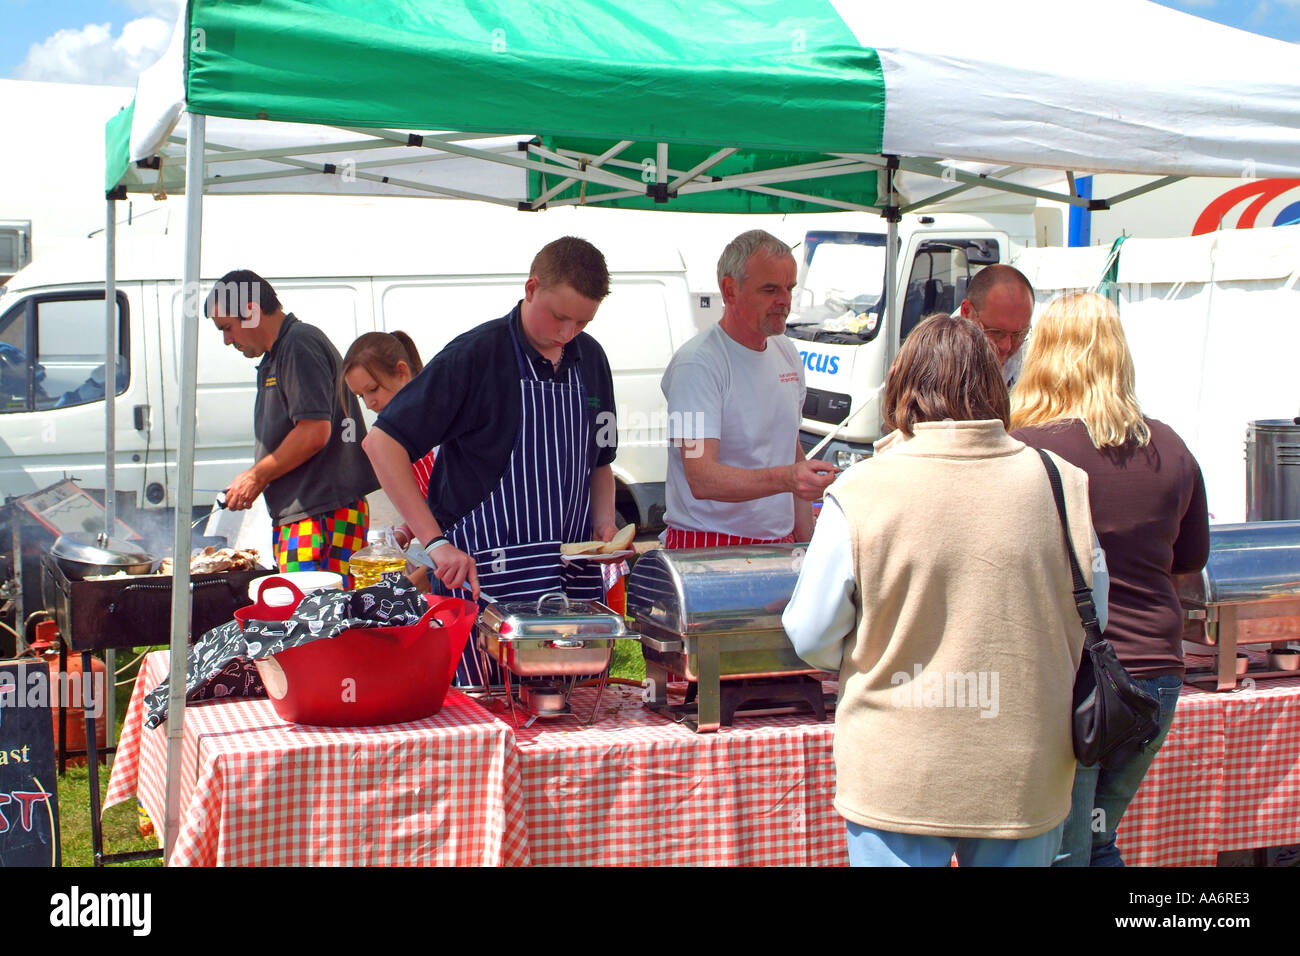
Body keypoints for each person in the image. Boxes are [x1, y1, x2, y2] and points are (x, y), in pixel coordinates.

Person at [782, 312, 1108, 867]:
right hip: (1024, 764)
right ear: (993, 383)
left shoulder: (861, 489)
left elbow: (811, 633)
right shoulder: (1061, 482)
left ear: (903, 386)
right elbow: (1091, 614)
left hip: (897, 764)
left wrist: (874, 654)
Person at [362, 236, 618, 686]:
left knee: (575, 721)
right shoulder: (475, 355)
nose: (567, 332)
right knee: (482, 713)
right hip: (483, 585)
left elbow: (600, 461)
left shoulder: (592, 357)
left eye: (582, 321)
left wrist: (604, 528)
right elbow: (382, 444)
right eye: (559, 316)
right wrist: (436, 543)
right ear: (531, 287)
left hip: (569, 589)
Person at [1010, 291, 1210, 868]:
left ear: (1044, 355)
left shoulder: (1026, 452)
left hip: (1066, 682)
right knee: (1094, 840)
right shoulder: (1171, 447)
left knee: (1060, 852)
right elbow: (1189, 559)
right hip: (1153, 680)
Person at [660, 230, 838, 548]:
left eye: (789, 288)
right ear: (730, 290)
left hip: (778, 543)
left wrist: (807, 543)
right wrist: (788, 477)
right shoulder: (697, 365)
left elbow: (789, 447)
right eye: (770, 289)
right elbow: (701, 476)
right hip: (707, 545)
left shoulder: (787, 352)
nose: (784, 300)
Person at [206, 269, 378, 578]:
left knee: (314, 617)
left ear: (251, 311)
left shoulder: (299, 344)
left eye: (227, 328)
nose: (227, 340)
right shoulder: (279, 353)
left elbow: (314, 432)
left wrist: (256, 476)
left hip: (322, 515)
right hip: (311, 516)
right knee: (309, 616)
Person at [339, 330, 436, 589]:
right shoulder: (402, 432)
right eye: (361, 396)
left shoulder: (435, 428)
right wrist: (406, 530)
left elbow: (455, 514)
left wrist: (408, 589)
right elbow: (434, 503)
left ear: (402, 372)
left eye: (373, 389)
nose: (369, 403)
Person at [958, 263, 1035, 388]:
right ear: (966, 311)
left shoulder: (1031, 365)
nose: (1007, 346)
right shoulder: (934, 365)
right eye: (996, 332)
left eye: (1018, 335)